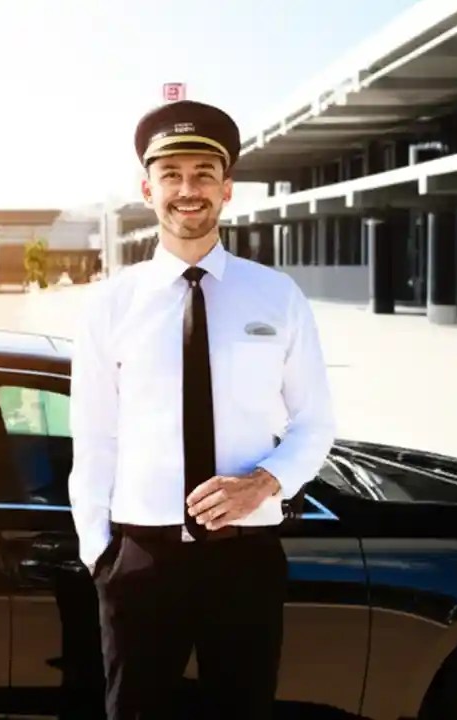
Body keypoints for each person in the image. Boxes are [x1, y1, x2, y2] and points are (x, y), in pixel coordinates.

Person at [67, 99, 336, 720]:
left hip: (245, 563)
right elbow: (94, 436)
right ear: (147, 188)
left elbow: (315, 422)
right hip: (142, 561)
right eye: (172, 176)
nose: (187, 190)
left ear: (227, 188)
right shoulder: (112, 305)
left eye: (203, 175)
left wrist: (265, 484)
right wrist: (100, 555)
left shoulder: (277, 296)